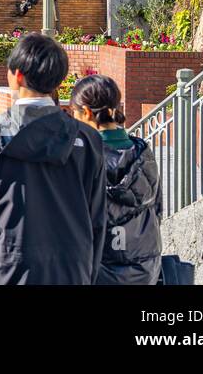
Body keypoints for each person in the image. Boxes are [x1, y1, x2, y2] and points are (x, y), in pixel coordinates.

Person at [0, 33, 107, 285]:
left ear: (17, 75)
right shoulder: (87, 140)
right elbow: (97, 219)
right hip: (72, 269)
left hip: (11, 269)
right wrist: (87, 272)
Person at [70, 74, 162, 285]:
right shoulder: (143, 152)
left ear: (86, 113)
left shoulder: (81, 156)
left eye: (74, 114)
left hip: (98, 269)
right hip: (146, 268)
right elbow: (156, 211)